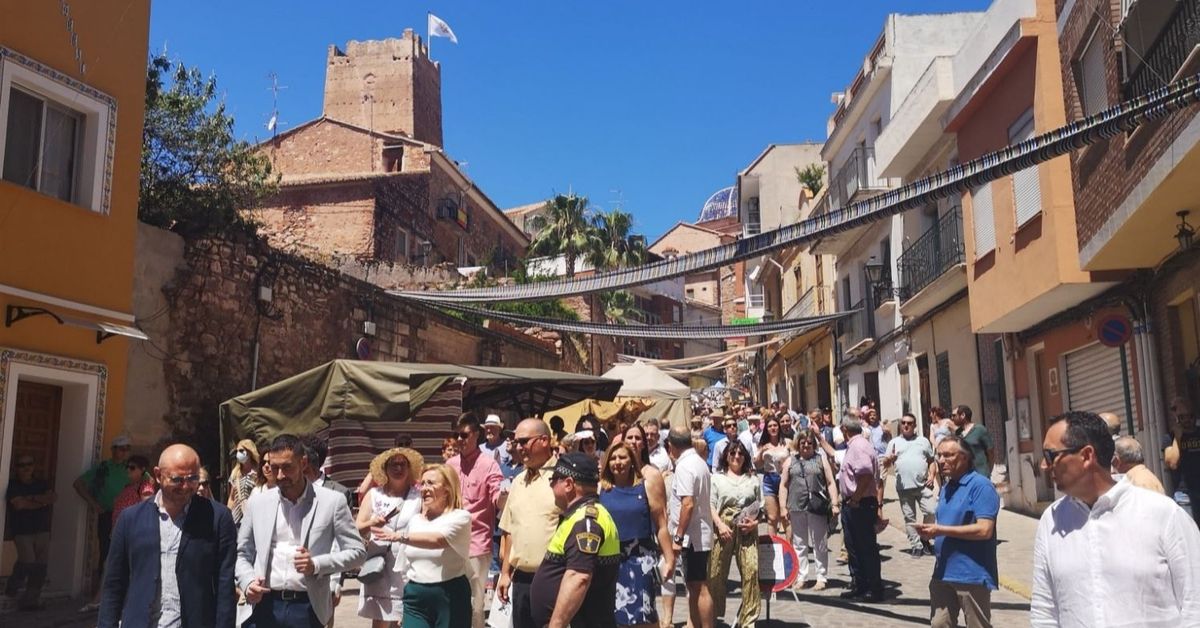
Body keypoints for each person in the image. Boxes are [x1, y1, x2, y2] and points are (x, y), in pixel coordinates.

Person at [1032, 411, 1200, 626]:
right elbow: (1044, 611)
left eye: (1050, 455)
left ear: (1086, 456)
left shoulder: (1163, 514)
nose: (1044, 465)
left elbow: (1195, 604)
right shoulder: (1052, 520)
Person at [98, 444, 237, 628]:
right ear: (158, 475)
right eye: (177, 479)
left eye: (193, 478)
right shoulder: (130, 520)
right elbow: (114, 585)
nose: (186, 486)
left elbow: (225, 585)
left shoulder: (216, 518)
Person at [236, 434, 367, 628]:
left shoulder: (331, 502)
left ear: (303, 463)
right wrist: (248, 583)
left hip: (307, 607)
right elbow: (242, 553)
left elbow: (358, 553)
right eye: (275, 468)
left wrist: (316, 564)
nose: (280, 475)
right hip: (263, 604)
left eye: (287, 467)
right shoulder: (258, 503)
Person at [915, 436, 999, 628]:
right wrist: (930, 533)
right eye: (939, 455)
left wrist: (940, 530)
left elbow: (985, 530)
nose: (941, 460)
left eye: (948, 455)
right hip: (943, 572)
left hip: (971, 574)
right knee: (939, 623)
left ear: (965, 457)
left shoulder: (981, 486)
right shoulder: (947, 487)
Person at [375, 464, 473, 628]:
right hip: (415, 597)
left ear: (447, 489)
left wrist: (399, 536)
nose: (425, 488)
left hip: (450, 595)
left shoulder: (461, 517)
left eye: (431, 483)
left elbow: (437, 541)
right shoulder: (415, 521)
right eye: (423, 483)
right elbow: (405, 564)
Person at [531, 452, 620, 628]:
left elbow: (579, 577)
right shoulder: (582, 516)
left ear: (569, 484)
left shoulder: (586, 523)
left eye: (553, 480)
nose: (550, 485)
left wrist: (556, 625)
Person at [496, 418, 561, 628]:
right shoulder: (517, 481)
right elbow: (509, 530)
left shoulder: (563, 479)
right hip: (521, 579)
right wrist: (505, 573)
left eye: (524, 441)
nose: (518, 447)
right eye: (516, 442)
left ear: (544, 440)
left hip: (553, 578)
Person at [599, 442, 672, 628]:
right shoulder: (601, 489)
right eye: (613, 458)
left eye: (622, 457)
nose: (617, 462)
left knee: (643, 615)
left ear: (632, 460)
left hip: (640, 560)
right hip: (609, 562)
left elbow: (661, 524)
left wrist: (669, 558)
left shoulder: (645, 486)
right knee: (614, 617)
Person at [356, 447, 424, 628]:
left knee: (406, 617)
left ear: (409, 468)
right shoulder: (373, 494)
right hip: (380, 565)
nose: (398, 468)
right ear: (385, 469)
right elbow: (357, 528)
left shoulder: (418, 497)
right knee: (381, 620)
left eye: (403, 464)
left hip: (407, 565)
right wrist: (371, 523)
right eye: (394, 464)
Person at [446, 412, 503, 628]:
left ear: (476, 434)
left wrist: (503, 496)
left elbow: (497, 496)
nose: (459, 440)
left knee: (474, 606)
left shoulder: (489, 465)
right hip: (449, 542)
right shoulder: (450, 465)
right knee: (450, 601)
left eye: (464, 435)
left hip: (476, 544)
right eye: (456, 435)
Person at [74, 433, 134, 613]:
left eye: (127, 449)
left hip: (128, 517)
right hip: (108, 516)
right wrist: (94, 504)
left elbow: (148, 483)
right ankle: (103, 595)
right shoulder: (103, 468)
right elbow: (79, 484)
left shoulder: (131, 468)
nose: (125, 452)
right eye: (121, 449)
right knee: (107, 553)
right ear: (113, 450)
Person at [707, 441, 760, 627]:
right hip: (723, 528)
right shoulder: (716, 479)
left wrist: (754, 523)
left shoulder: (753, 480)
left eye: (740, 453)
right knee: (716, 573)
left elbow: (760, 508)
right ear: (726, 456)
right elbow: (710, 505)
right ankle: (713, 615)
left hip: (747, 528)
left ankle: (749, 619)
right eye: (732, 453)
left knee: (751, 570)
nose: (736, 456)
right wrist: (720, 525)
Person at [666, 426, 714, 628]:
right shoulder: (698, 462)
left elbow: (688, 504)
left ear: (671, 445)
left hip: (692, 537)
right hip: (698, 534)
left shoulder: (685, 466)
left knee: (699, 586)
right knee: (694, 586)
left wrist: (678, 537)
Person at [779, 429, 839, 591]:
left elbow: (830, 482)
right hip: (796, 506)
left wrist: (834, 503)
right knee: (799, 544)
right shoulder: (790, 461)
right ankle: (802, 577)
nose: (806, 445)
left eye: (809, 442)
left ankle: (821, 577)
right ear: (797, 444)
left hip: (817, 506)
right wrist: (783, 507)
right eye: (803, 442)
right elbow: (783, 485)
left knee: (820, 542)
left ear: (814, 444)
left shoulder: (820, 459)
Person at [839, 415, 883, 602]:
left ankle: (873, 588)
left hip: (860, 504)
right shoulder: (855, 445)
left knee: (865, 547)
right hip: (854, 503)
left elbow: (865, 475)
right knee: (854, 546)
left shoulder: (859, 446)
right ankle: (860, 584)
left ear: (844, 430)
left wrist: (855, 499)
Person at [882, 413, 938, 557]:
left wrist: (932, 476)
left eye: (909, 423)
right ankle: (916, 545)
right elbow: (885, 464)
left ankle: (925, 539)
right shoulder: (893, 443)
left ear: (914, 426)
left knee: (931, 511)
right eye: (904, 423)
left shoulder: (923, 441)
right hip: (904, 488)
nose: (906, 425)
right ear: (901, 425)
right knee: (909, 518)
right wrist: (890, 459)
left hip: (923, 485)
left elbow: (931, 460)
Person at [5, 454, 54, 610]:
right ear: (16, 468)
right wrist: (40, 501)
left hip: (42, 529)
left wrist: (29, 499)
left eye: (29, 464)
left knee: (41, 566)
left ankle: (31, 599)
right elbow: (18, 504)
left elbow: (52, 498)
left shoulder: (42, 483)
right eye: (22, 465)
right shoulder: (13, 485)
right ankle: (11, 589)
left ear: (34, 466)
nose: (26, 468)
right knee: (27, 561)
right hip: (22, 530)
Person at [1164, 395, 1200, 526]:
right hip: (1185, 494)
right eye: (1182, 417)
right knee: (1190, 532)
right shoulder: (1170, 437)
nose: (1187, 420)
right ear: (1176, 418)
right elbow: (1172, 463)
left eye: (1190, 416)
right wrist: (1178, 438)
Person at [755, 415, 790, 535]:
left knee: (786, 517)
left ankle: (789, 546)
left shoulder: (787, 442)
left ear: (779, 427)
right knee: (772, 518)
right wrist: (761, 451)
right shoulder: (763, 445)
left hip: (785, 479)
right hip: (769, 480)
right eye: (770, 426)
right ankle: (772, 545)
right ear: (766, 429)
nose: (773, 428)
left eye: (775, 425)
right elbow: (758, 465)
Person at [111, 454, 156, 526]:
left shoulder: (145, 487)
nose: (128, 470)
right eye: (127, 467)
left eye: (132, 468)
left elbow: (148, 510)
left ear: (142, 469)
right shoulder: (128, 486)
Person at [951, 406, 993, 481]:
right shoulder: (958, 433)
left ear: (963, 415)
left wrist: (988, 470)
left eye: (954, 415)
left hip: (981, 474)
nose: (952, 418)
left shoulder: (979, 430)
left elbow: (990, 452)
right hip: (965, 476)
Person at [228, 439, 261, 526]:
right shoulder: (235, 473)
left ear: (249, 452)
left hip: (254, 517)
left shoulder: (258, 472)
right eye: (237, 451)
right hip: (236, 519)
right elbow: (232, 497)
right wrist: (227, 514)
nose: (238, 453)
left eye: (241, 450)